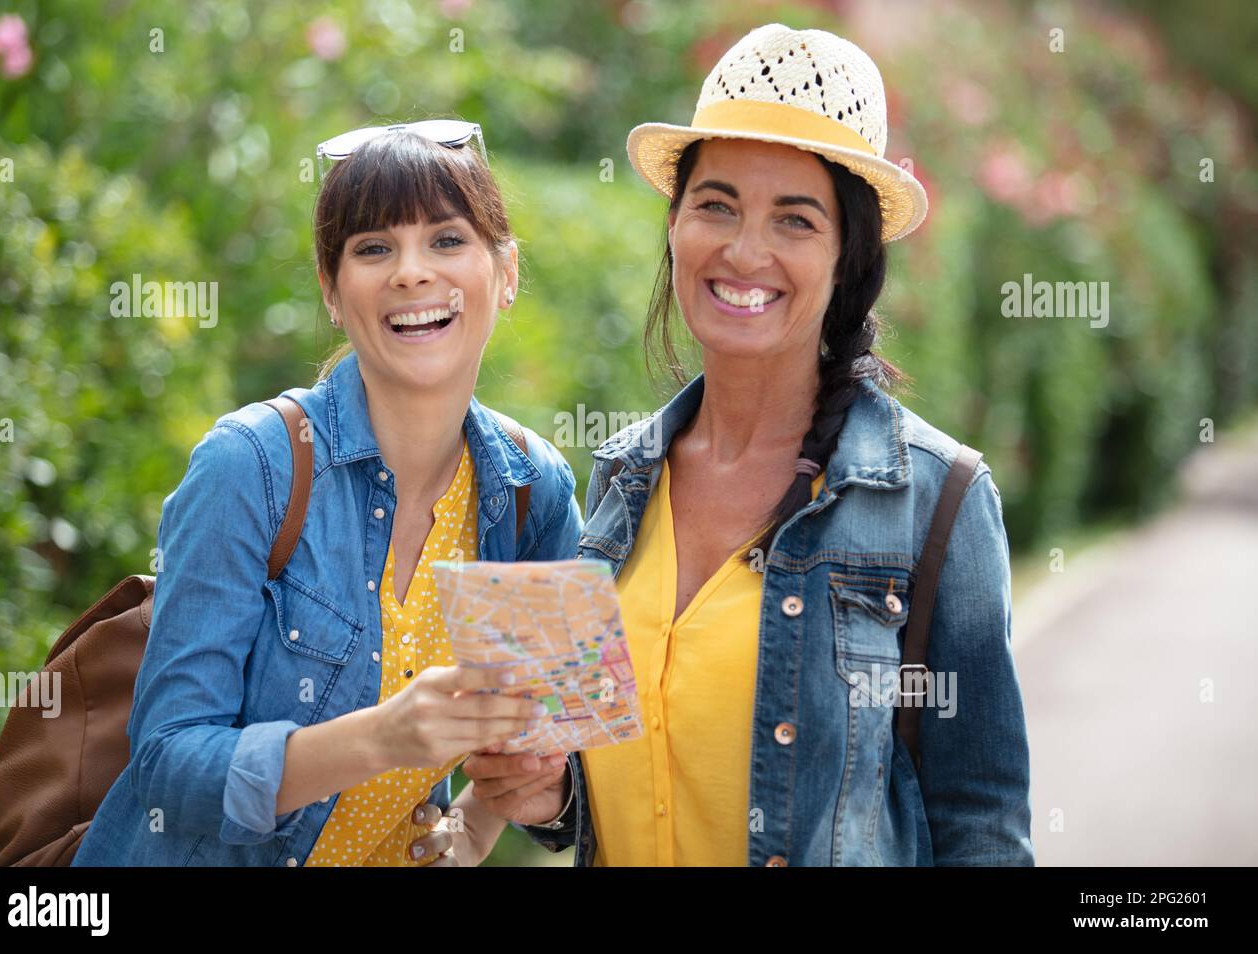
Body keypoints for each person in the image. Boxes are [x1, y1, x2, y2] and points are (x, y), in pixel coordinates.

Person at [466, 24, 1035, 866]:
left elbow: (983, 829)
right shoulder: (621, 479)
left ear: (849, 259)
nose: (744, 250)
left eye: (795, 220)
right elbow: (605, 795)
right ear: (674, 225)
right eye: (717, 205)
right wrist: (545, 791)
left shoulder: (935, 502)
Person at [73, 121, 580, 866]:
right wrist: (381, 739)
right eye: (373, 248)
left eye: (447, 240)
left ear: (505, 273)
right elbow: (169, 767)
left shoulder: (532, 491)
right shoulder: (251, 465)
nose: (411, 272)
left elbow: (552, 744)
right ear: (332, 292)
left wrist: (471, 831)